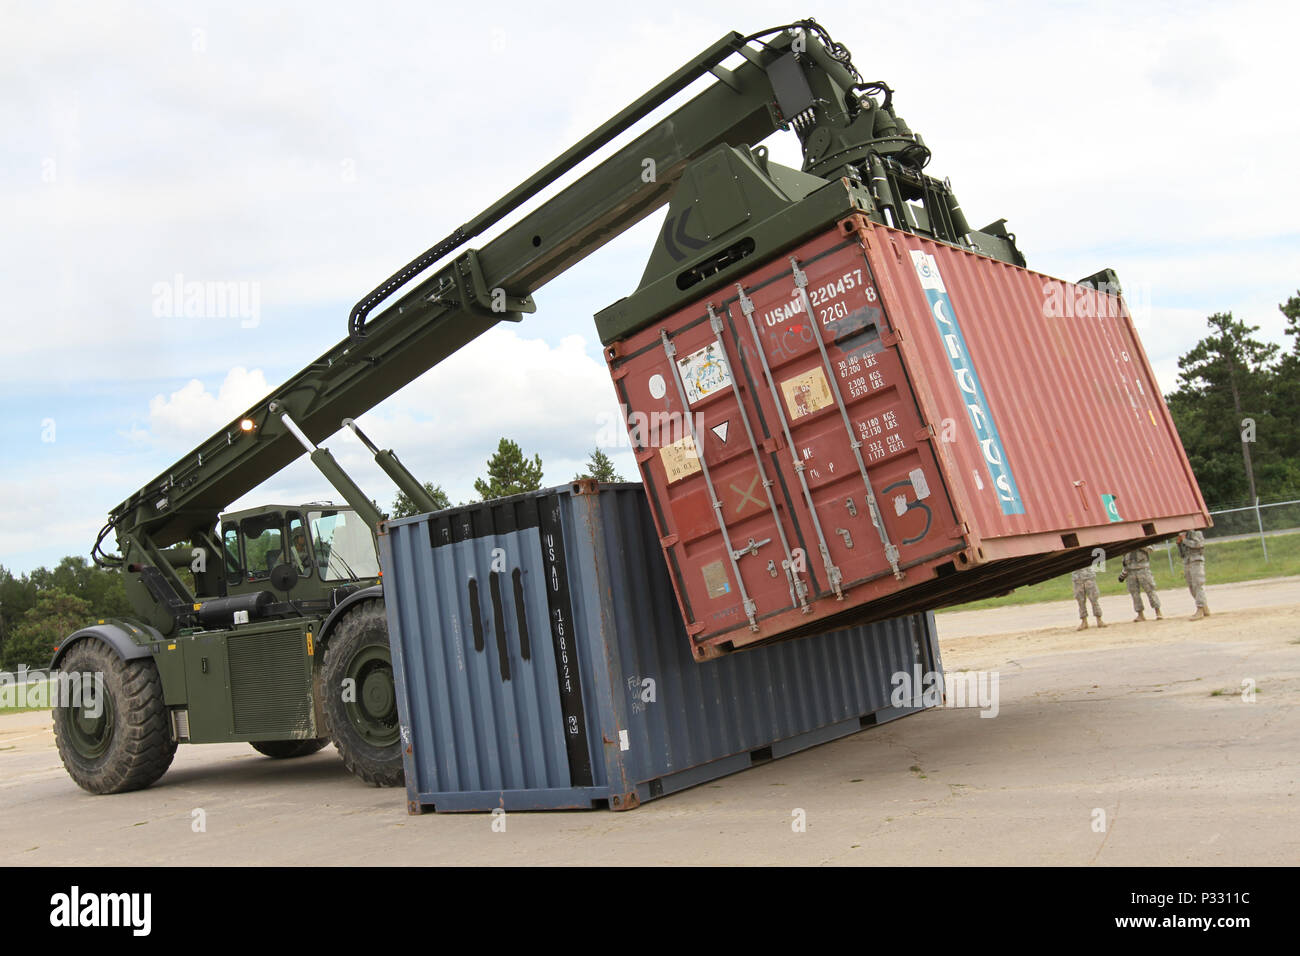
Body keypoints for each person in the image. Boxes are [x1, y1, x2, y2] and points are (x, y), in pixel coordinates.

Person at [1119, 546, 1162, 621]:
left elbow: (1151, 550)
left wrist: (1138, 544)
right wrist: (1123, 575)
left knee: (1150, 591)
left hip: (1142, 569)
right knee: (1135, 594)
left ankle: (1158, 612)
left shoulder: (1142, 541)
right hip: (1130, 571)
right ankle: (1140, 615)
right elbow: (1125, 561)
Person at [1177, 529, 1209, 619]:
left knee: (1198, 584)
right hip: (1187, 562)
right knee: (1191, 586)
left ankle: (1200, 609)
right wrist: (1179, 544)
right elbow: (1182, 553)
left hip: (1196, 561)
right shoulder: (1183, 535)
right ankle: (1204, 608)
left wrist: (1184, 540)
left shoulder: (1197, 533)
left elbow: (1199, 545)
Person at [1070, 564, 1106, 630]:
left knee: (1094, 599)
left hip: (1089, 577)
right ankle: (1084, 622)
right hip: (1077, 578)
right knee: (1080, 601)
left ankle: (1099, 620)